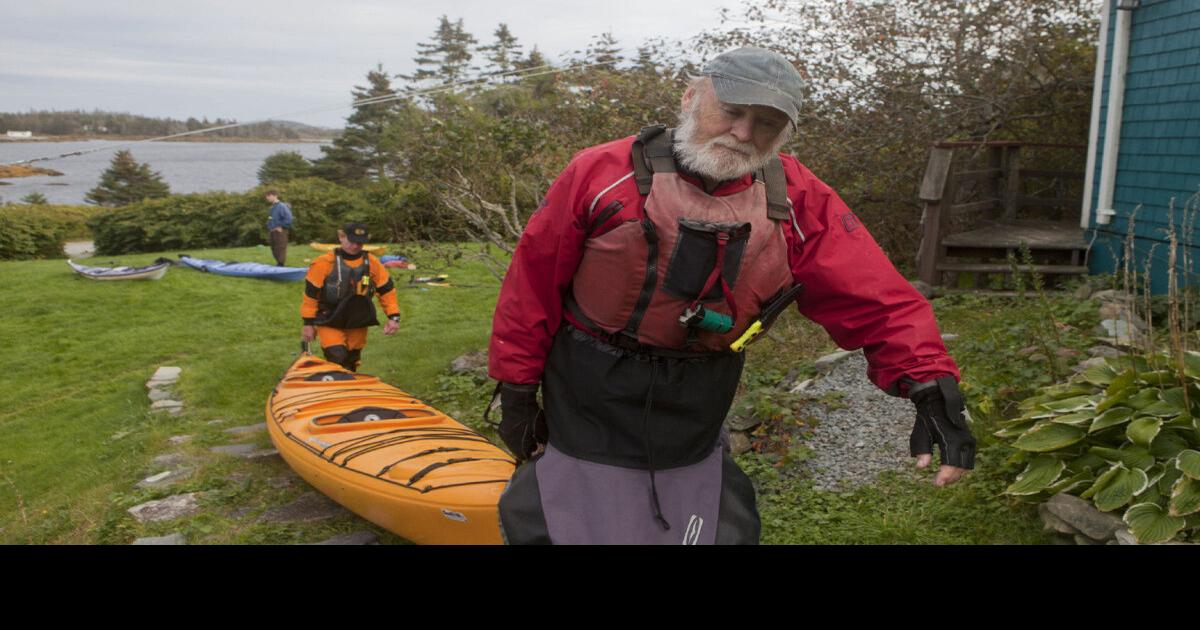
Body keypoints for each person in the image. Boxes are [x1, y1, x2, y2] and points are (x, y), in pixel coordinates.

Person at [487, 47, 976, 545]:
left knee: (699, 511)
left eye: (767, 123)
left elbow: (875, 297)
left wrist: (930, 387)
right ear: (691, 97)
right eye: (732, 111)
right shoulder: (600, 173)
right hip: (590, 386)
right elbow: (533, 285)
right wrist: (517, 388)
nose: (743, 133)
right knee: (577, 514)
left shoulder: (795, 197)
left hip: (699, 393)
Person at [301, 222, 400, 371]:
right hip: (329, 318)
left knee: (351, 361)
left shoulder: (372, 263)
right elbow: (310, 296)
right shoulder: (324, 263)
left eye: (360, 243)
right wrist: (308, 324)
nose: (355, 246)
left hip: (358, 319)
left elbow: (386, 290)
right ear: (341, 237)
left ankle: (346, 383)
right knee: (337, 356)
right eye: (352, 241)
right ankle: (337, 380)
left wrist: (393, 317)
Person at [265, 190, 294, 266]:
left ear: (275, 196)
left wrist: (281, 226)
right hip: (272, 231)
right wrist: (269, 226)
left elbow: (289, 218)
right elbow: (271, 219)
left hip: (280, 232)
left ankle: (280, 265)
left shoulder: (282, 206)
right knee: (274, 249)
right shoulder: (272, 207)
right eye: (267, 196)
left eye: (269, 196)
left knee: (280, 248)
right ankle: (278, 264)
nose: (267, 198)